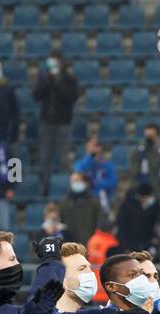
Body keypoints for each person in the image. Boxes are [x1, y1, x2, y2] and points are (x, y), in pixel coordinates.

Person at [33, 51, 80, 197]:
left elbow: (71, 97)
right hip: (47, 122)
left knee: (64, 158)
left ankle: (65, 189)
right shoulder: (44, 77)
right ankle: (44, 188)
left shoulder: (69, 79)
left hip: (63, 122)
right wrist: (48, 82)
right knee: (45, 158)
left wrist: (59, 83)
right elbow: (36, 95)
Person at [74, 137, 119, 211]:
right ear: (86, 147)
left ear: (100, 148)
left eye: (96, 145)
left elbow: (113, 182)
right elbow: (79, 172)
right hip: (84, 200)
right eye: (91, 145)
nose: (94, 148)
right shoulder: (79, 163)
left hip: (102, 200)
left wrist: (94, 183)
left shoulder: (108, 165)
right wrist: (91, 156)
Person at [60, 172, 106, 246]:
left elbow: (100, 221)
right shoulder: (64, 203)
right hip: (71, 244)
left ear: (84, 182)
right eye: (73, 181)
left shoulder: (94, 202)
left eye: (78, 180)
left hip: (90, 243)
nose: (75, 183)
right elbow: (62, 222)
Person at [116, 182, 159, 252]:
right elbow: (121, 226)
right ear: (143, 196)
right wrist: (125, 246)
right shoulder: (127, 206)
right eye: (148, 197)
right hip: (129, 246)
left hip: (144, 245)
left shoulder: (152, 207)